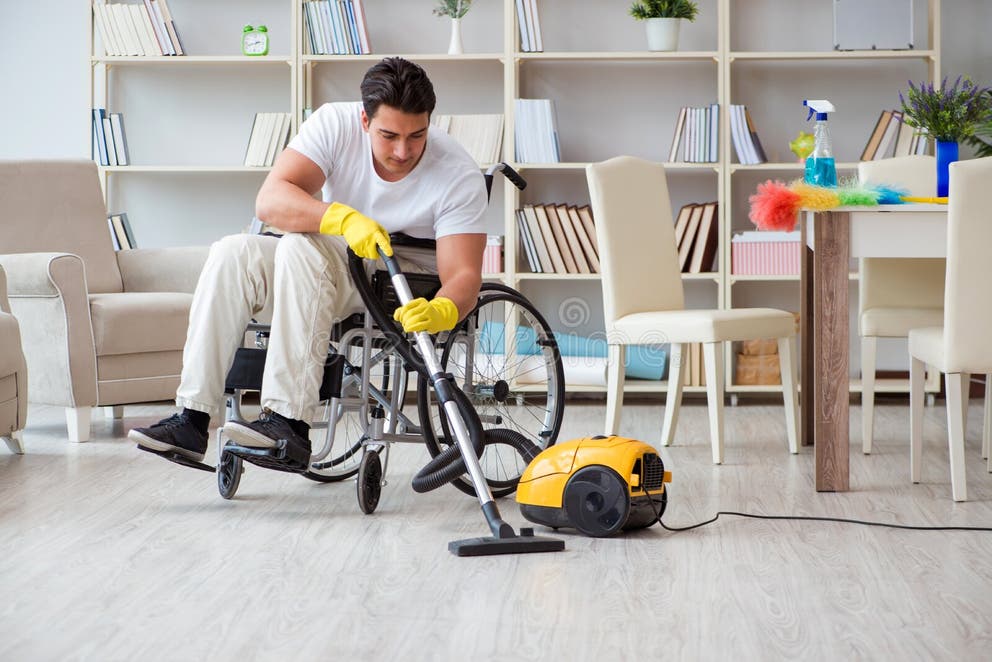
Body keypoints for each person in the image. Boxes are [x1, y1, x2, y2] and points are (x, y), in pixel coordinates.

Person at [129, 57, 488, 472]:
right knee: (232, 252)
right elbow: (270, 200)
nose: (403, 151)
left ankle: (289, 422)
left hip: (393, 274)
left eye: (417, 135)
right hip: (326, 256)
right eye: (389, 135)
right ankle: (191, 419)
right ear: (364, 120)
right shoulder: (333, 125)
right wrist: (340, 217)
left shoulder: (456, 172)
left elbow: (462, 275)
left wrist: (445, 308)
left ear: (430, 122)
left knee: (301, 246)